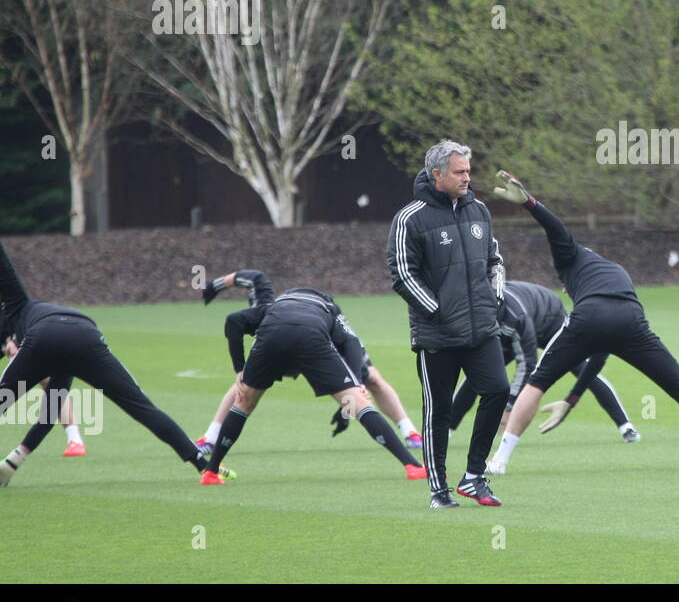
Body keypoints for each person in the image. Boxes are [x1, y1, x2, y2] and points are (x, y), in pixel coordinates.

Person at [486, 171, 679, 473]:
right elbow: (602, 348)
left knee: (536, 383)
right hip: (631, 322)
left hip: (590, 316)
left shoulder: (570, 254)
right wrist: (573, 397)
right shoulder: (612, 269)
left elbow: (555, 228)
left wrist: (529, 203)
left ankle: (499, 460)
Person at [0, 239, 232, 487]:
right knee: (141, 407)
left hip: (47, 334)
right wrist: (12, 463)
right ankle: (204, 466)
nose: (8, 352)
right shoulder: (24, 316)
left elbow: (4, 269)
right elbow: (49, 414)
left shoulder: (15, 307)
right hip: (85, 335)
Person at [386, 140, 510, 509]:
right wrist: (438, 311)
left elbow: (496, 261)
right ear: (436, 174)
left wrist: (495, 299)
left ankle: (474, 476)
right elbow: (403, 276)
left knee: (498, 390)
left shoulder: (480, 211)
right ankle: (439, 491)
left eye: (469, 171)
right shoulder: (410, 218)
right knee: (437, 411)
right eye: (460, 172)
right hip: (436, 334)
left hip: (482, 329)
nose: (467, 178)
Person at [198, 286, 426, 484]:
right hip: (311, 337)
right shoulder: (330, 307)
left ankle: (210, 471)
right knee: (359, 404)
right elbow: (352, 342)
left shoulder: (274, 305)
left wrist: (240, 369)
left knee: (243, 402)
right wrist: (355, 386)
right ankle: (412, 466)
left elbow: (233, 321)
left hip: (272, 336)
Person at [450, 280, 640, 442]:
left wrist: (509, 406)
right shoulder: (477, 313)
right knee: (479, 376)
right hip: (513, 334)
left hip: (550, 320)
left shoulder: (516, 315)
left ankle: (626, 426)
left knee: (584, 370)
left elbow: (528, 364)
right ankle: (447, 429)